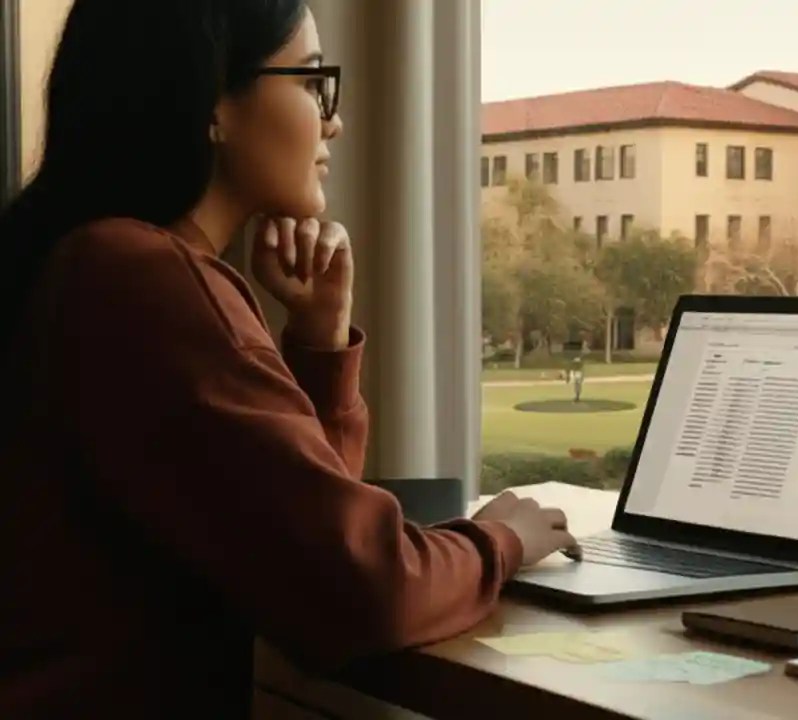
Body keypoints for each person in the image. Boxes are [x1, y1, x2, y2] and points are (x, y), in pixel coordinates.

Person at [0, 1, 578, 717]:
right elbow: (357, 592)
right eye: (311, 81)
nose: (331, 119)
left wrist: (319, 338)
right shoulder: (139, 277)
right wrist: (502, 542)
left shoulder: (91, 260)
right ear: (212, 99)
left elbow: (291, 538)